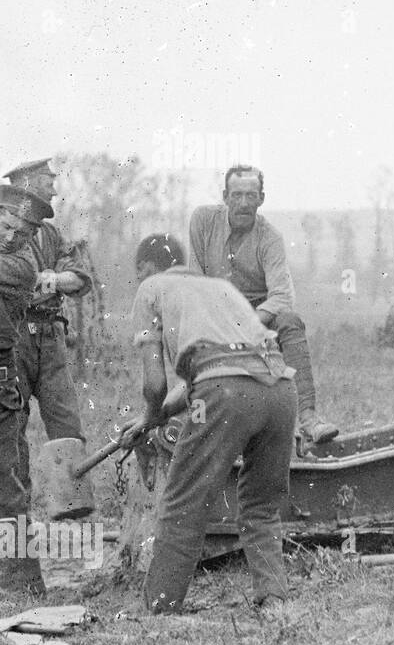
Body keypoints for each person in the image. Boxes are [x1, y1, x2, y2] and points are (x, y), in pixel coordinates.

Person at [118, 233, 297, 614]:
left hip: (223, 393)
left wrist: (151, 413)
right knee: (261, 506)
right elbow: (223, 367)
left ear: (144, 269)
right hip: (281, 389)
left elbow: (155, 382)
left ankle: (162, 606)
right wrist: (155, 418)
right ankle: (275, 599)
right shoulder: (219, 287)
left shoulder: (151, 288)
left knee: (185, 501)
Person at [188, 165, 338, 446]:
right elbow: (195, 281)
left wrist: (246, 323)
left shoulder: (270, 238)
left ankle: (308, 417)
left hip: (257, 315)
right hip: (213, 312)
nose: (243, 203)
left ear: (261, 199)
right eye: (237, 195)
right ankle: (192, 423)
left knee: (290, 321)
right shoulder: (203, 221)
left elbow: (282, 296)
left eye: (250, 195)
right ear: (225, 196)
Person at [3, 157, 93, 496]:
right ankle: (17, 503)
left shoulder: (52, 233)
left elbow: (79, 278)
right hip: (14, 337)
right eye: (46, 180)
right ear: (25, 184)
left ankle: (73, 504)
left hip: (50, 335)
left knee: (66, 421)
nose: (53, 188)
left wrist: (50, 280)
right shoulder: (5, 232)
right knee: (12, 424)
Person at [0, 185, 54, 595]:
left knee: (9, 476)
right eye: (4, 225)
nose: (9, 237)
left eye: (20, 233)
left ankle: (22, 582)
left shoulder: (21, 267)